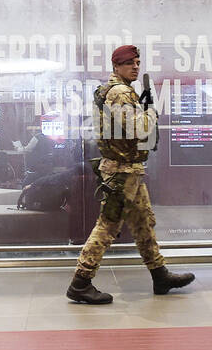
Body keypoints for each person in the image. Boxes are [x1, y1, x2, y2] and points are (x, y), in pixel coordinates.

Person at [67, 45, 194, 304]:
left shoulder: (115, 91)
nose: (135, 67)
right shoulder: (121, 93)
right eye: (129, 63)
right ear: (116, 67)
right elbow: (139, 130)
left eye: (137, 62)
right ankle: (80, 282)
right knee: (108, 227)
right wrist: (150, 111)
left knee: (143, 223)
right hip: (122, 173)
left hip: (128, 171)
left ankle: (160, 275)